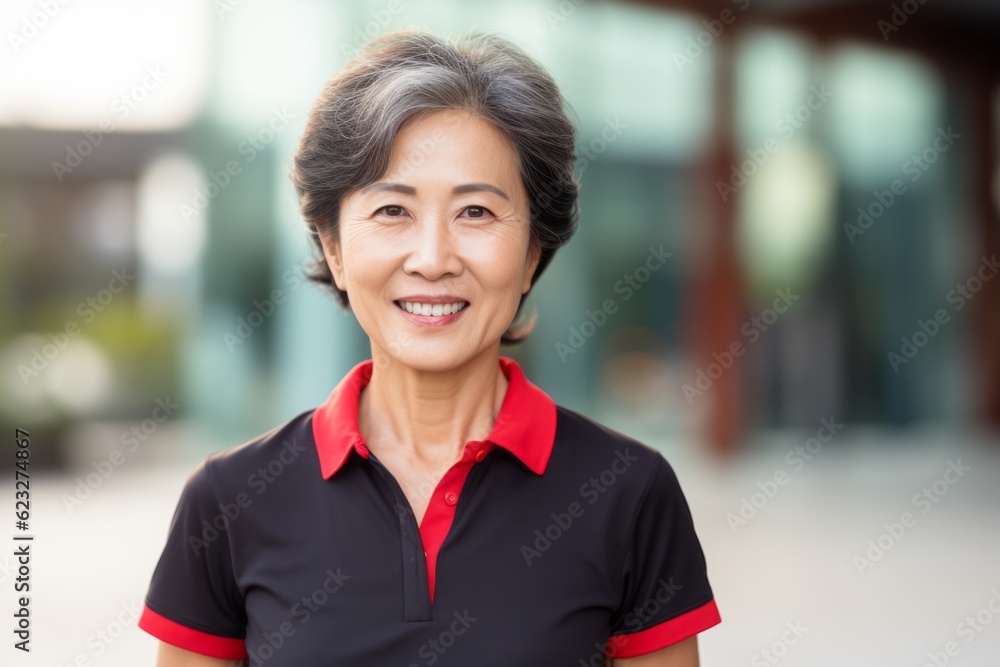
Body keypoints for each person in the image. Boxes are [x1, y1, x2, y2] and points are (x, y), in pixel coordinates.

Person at [137, 28, 721, 666]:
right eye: (393, 211)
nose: (433, 258)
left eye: (476, 213)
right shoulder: (229, 499)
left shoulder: (629, 493)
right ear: (334, 248)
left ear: (532, 253)